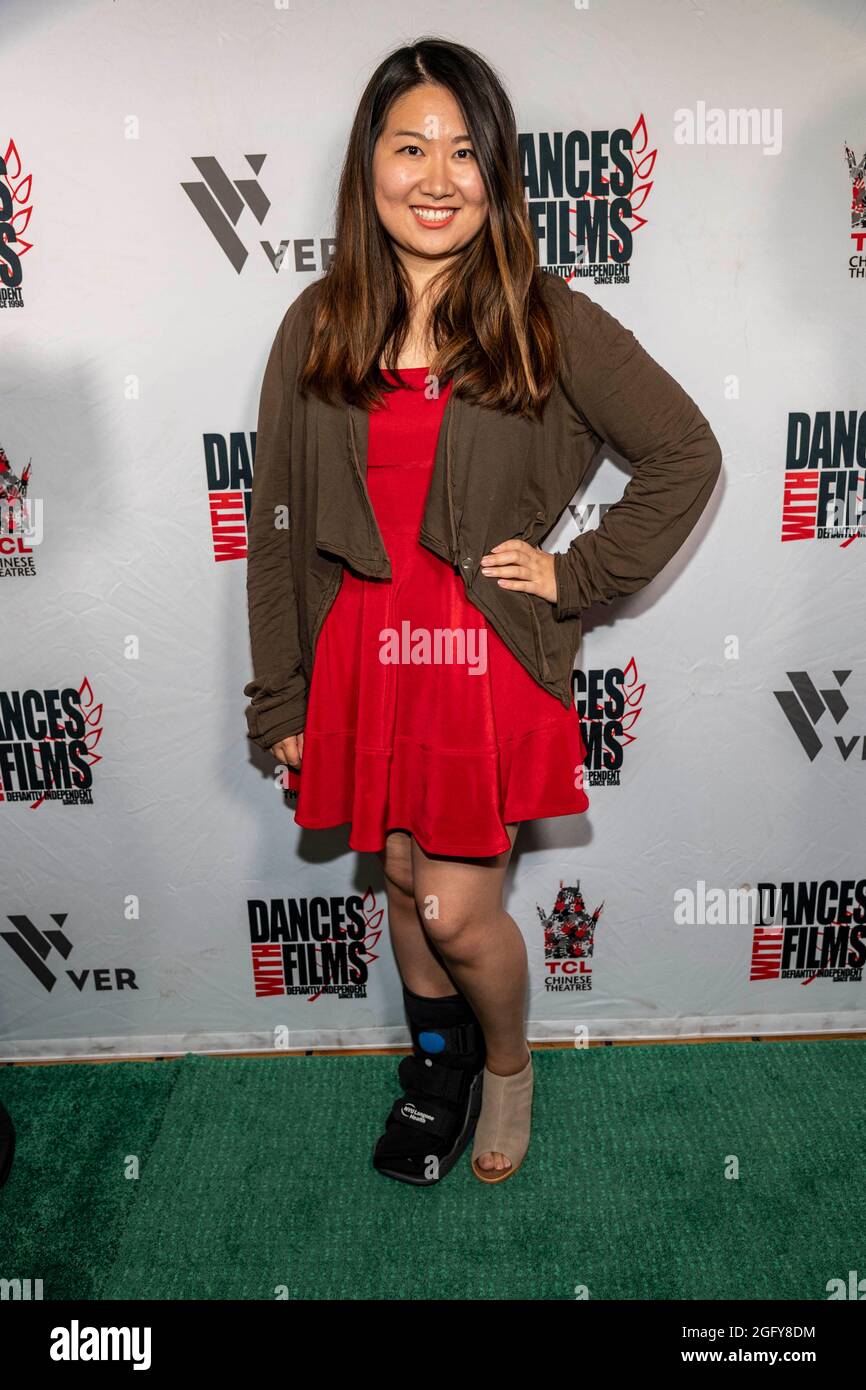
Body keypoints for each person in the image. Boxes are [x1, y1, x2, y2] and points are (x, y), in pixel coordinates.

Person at [243, 37, 722, 1188]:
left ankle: (505, 1063)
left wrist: (575, 572)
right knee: (404, 887)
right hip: (360, 652)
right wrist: (280, 698)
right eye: (409, 147)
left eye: (464, 152)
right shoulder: (317, 322)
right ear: (367, 164)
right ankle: (435, 1071)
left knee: (453, 910)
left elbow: (683, 451)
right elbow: (276, 527)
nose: (435, 176)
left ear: (496, 172)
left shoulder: (540, 316)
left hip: (477, 657)